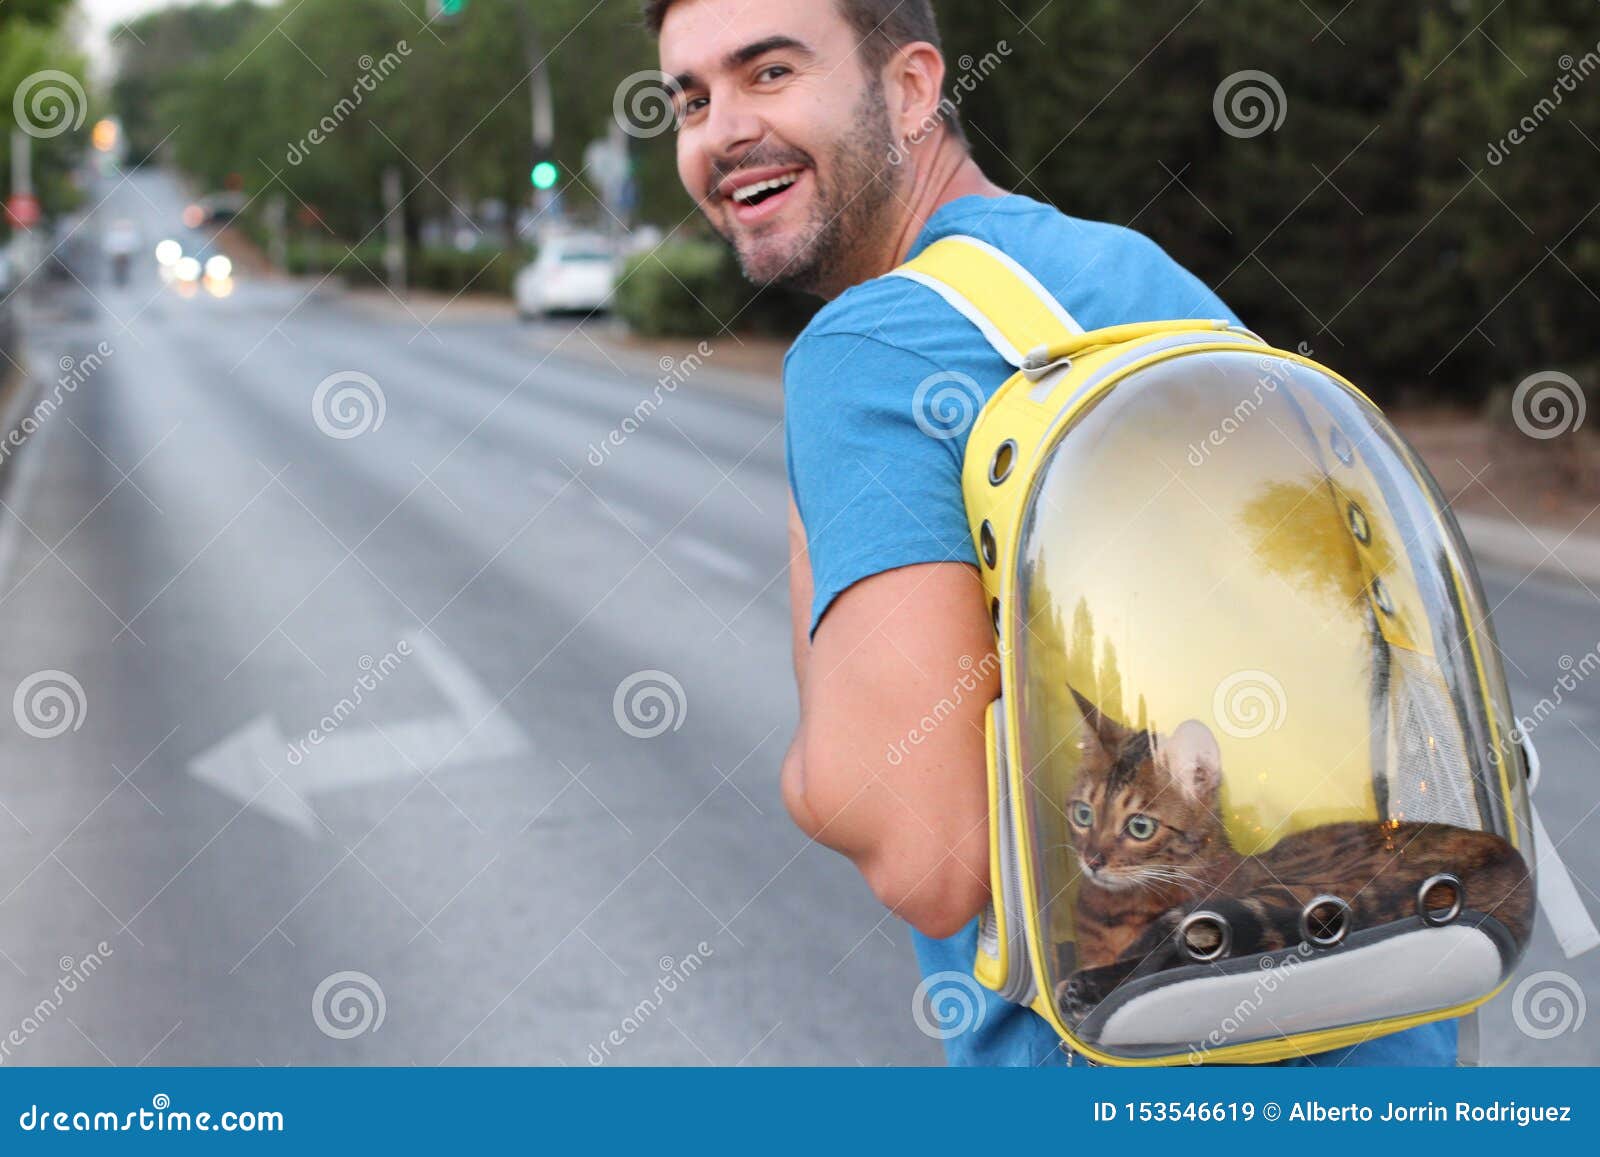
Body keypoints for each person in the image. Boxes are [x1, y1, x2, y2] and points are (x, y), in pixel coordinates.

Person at [645, 0, 1458, 1067]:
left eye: (769, 72)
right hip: (1385, 1018)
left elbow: (927, 857)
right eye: (689, 100)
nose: (720, 132)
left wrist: (805, 772)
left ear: (911, 88)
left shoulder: (867, 347)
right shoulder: (1133, 278)